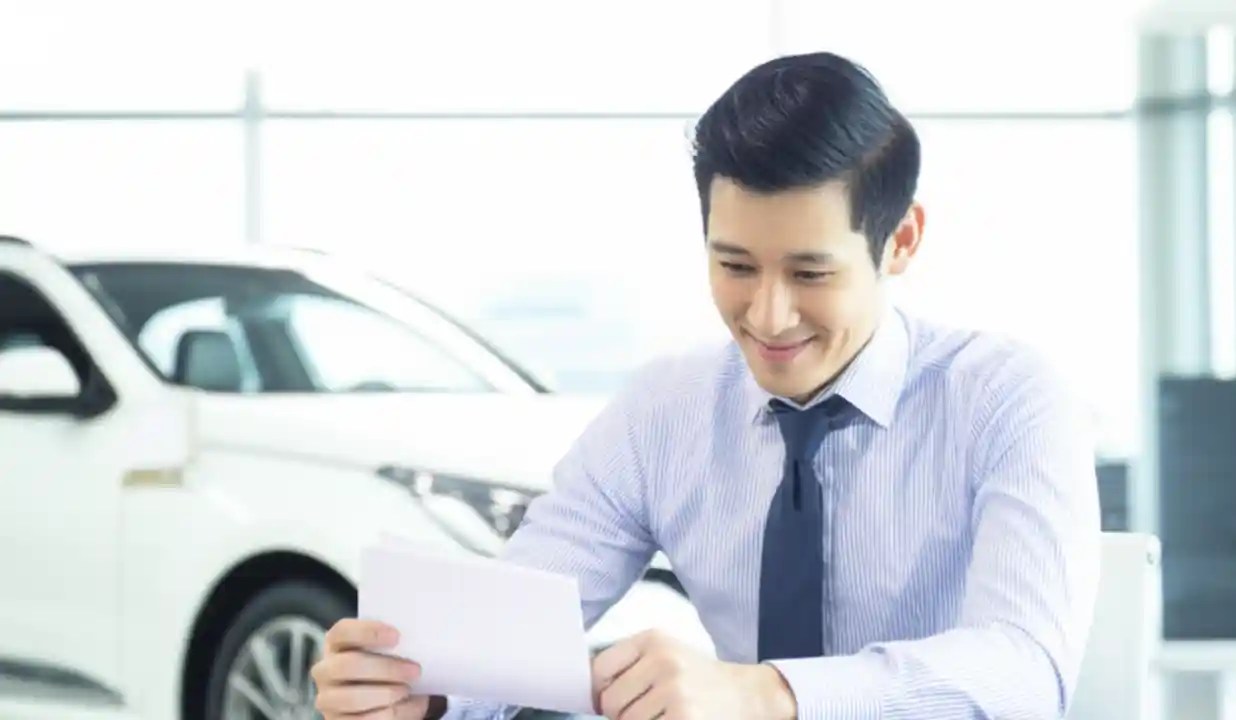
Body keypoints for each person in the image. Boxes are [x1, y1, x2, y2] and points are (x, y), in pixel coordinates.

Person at [311, 51, 1101, 720]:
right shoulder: (666, 411)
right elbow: (518, 620)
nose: (769, 315)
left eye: (810, 273)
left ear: (900, 241)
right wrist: (424, 693)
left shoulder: (1007, 400)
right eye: (735, 266)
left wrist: (768, 694)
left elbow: (1024, 669)